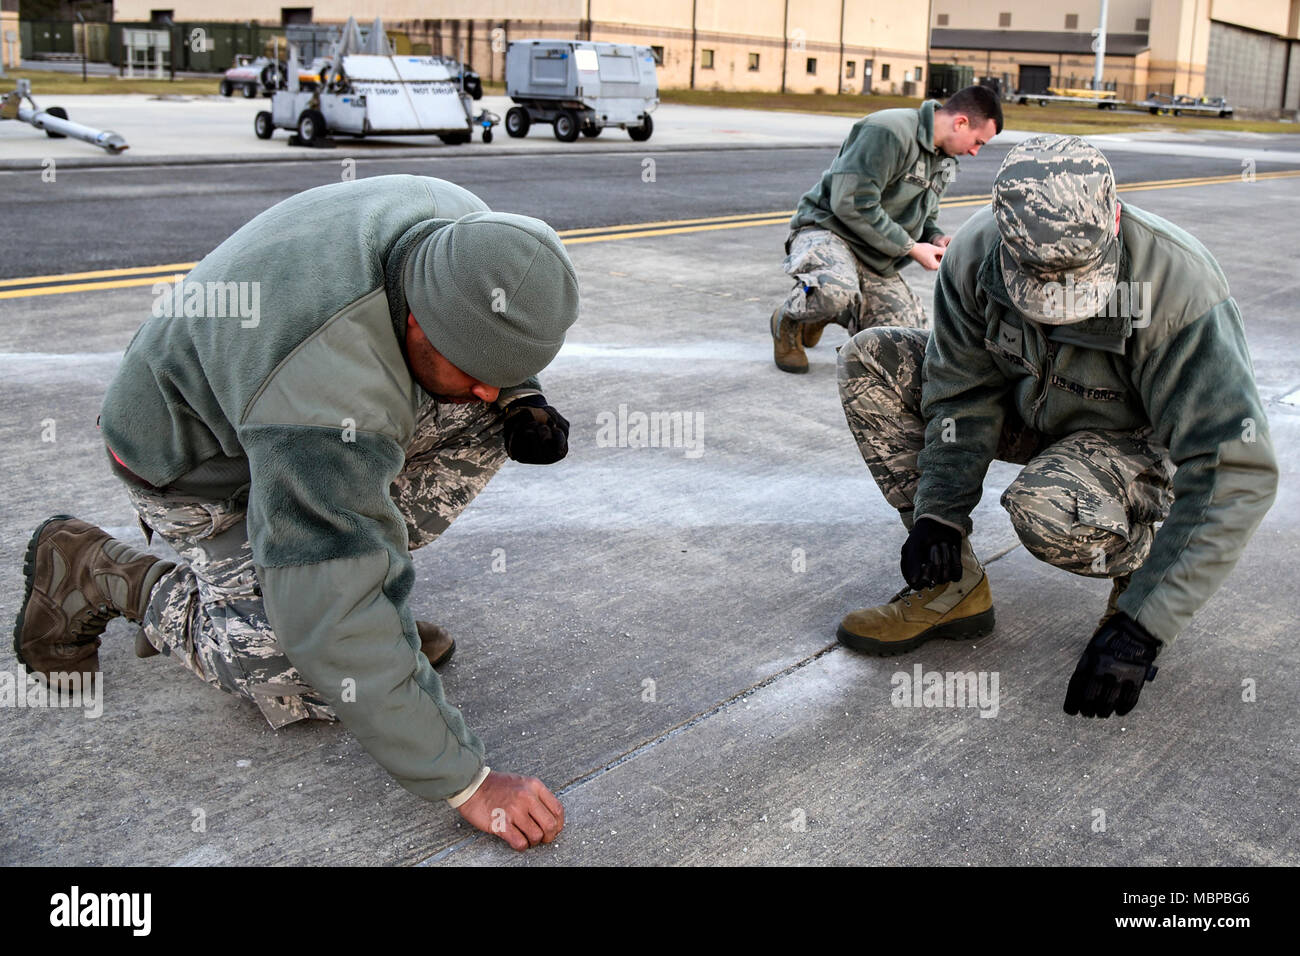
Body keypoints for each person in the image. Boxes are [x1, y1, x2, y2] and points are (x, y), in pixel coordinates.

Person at [13, 174, 578, 850]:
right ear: (421, 319)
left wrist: (519, 396)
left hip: (267, 406)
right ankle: (100, 571)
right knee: (293, 654)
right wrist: (467, 781)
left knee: (484, 424)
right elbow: (328, 611)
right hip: (186, 464)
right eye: (476, 367)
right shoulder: (328, 392)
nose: (489, 386)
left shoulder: (468, 238)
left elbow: (490, 342)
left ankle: (347, 593)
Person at [834, 136, 1278, 718]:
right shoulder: (973, 254)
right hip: (1030, 411)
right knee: (874, 360)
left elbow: (1233, 467)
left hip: (1131, 442)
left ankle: (1140, 569)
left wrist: (1145, 625)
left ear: (1113, 218)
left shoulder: (1178, 287)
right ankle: (952, 586)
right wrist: (938, 513)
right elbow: (962, 392)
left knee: (1046, 508)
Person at [769, 85, 1002, 373]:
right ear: (961, 122)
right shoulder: (888, 131)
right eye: (978, 141)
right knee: (834, 290)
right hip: (828, 232)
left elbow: (924, 218)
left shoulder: (946, 163)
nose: (976, 152)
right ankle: (789, 319)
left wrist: (936, 238)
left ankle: (826, 311)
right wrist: (911, 248)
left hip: (876, 253)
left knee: (907, 340)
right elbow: (852, 203)